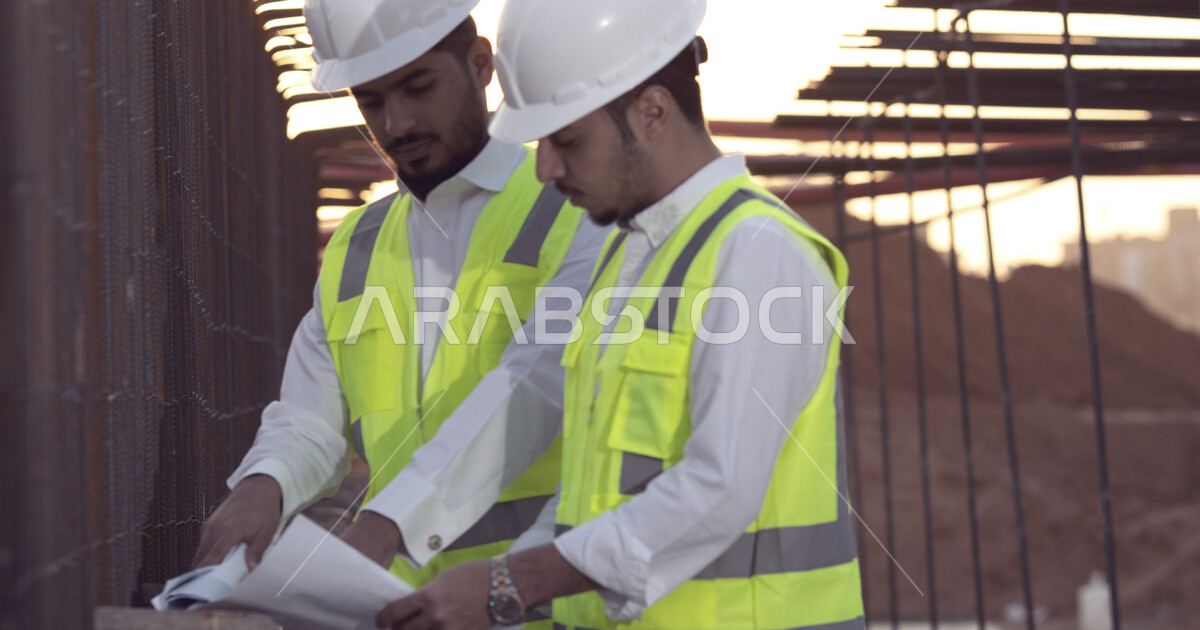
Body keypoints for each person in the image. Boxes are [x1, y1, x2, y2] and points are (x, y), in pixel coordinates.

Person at [374, 0, 866, 628]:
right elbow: (592, 494)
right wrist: (498, 596)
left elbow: (720, 489)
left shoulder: (756, 251)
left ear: (653, 111)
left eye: (567, 139)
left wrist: (509, 580)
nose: (546, 167)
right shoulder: (628, 258)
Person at [190, 0, 608, 618]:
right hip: (403, 607)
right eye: (372, 101)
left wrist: (387, 524)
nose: (397, 122)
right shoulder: (357, 246)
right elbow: (313, 415)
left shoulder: (572, 209)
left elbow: (534, 386)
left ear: (479, 63)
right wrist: (264, 484)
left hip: (545, 606)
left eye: (418, 87)